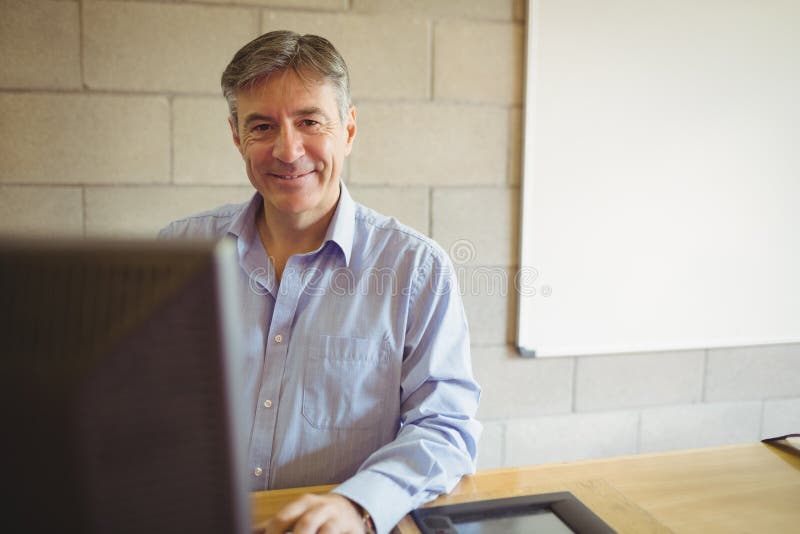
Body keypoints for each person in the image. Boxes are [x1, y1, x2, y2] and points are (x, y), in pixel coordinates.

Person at [159, 30, 481, 534]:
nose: (288, 151)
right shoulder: (179, 255)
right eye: (262, 126)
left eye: (310, 121)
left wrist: (357, 504)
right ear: (236, 136)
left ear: (348, 129)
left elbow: (445, 428)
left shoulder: (415, 268)